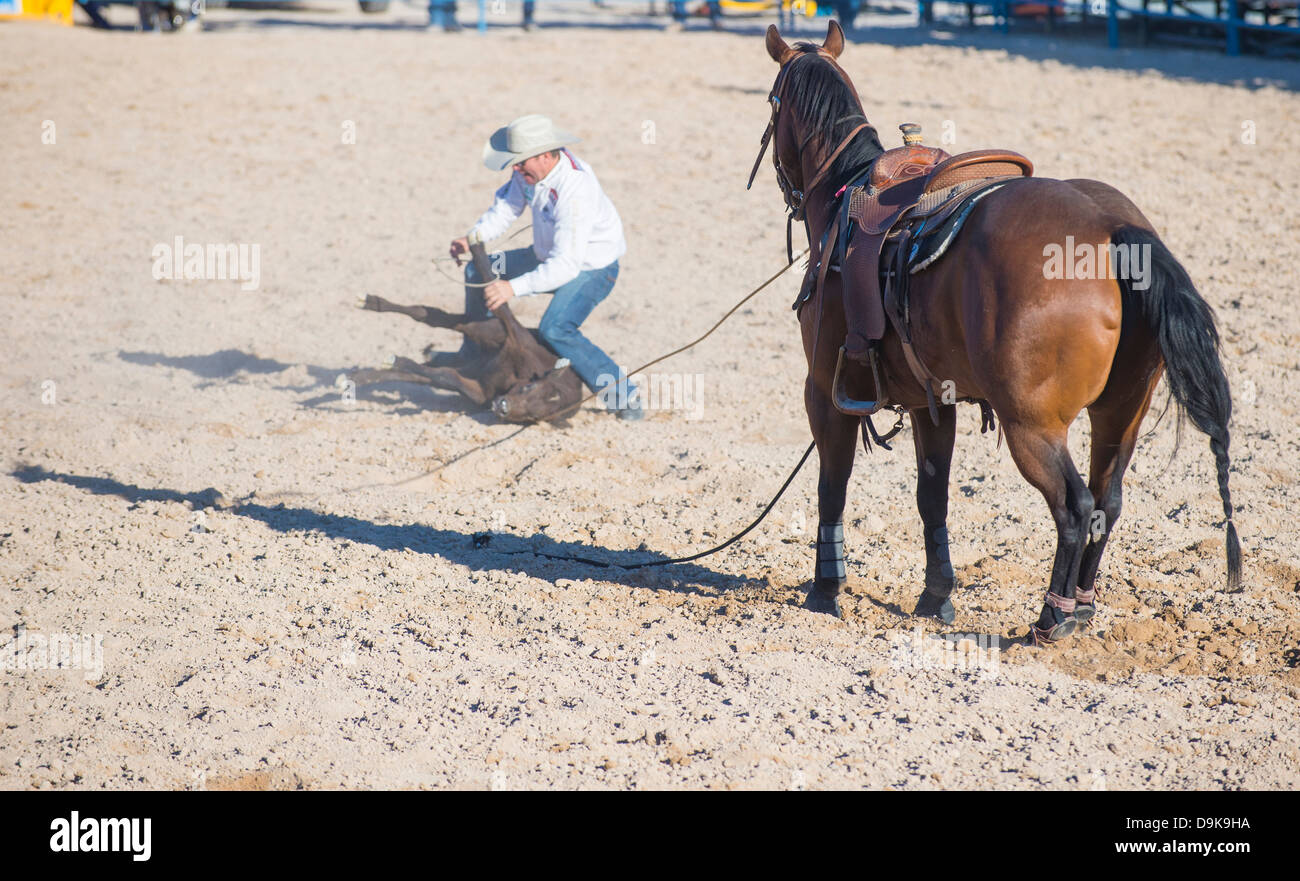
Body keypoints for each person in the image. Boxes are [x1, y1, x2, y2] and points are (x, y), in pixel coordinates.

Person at [448, 115, 642, 421]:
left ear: (545, 155)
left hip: (590, 268)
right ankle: (476, 358)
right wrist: (474, 238)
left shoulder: (575, 190)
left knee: (556, 329)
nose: (514, 168)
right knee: (477, 271)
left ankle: (624, 396)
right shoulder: (528, 174)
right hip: (547, 255)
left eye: (520, 162)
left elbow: (566, 265)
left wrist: (513, 287)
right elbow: (507, 207)